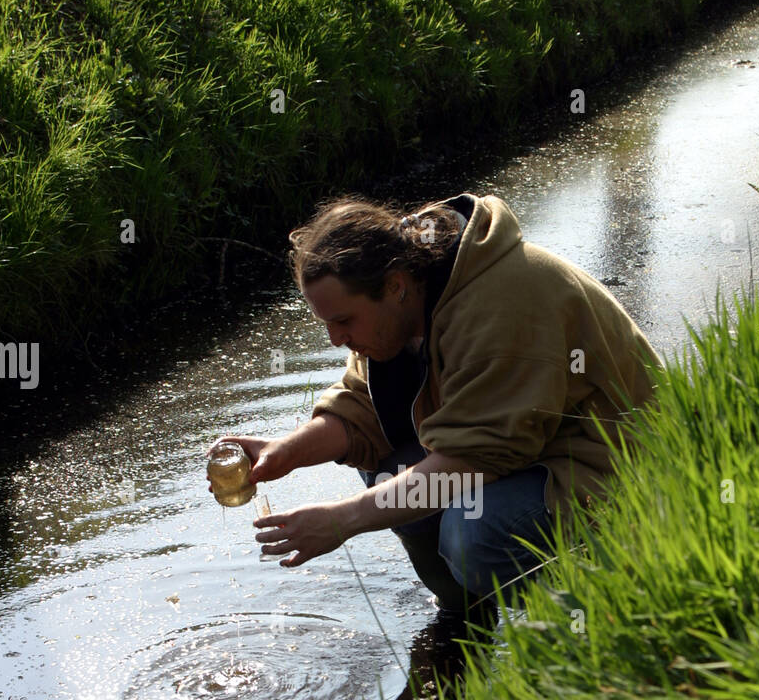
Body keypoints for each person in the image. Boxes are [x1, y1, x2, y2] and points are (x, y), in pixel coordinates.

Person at [209, 192, 662, 626]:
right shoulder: (408, 291)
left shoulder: (502, 304)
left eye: (344, 321)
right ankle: (466, 621)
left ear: (396, 287)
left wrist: (341, 521)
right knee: (386, 470)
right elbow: (367, 406)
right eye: (326, 324)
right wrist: (287, 450)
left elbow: (470, 464)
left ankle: (599, 617)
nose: (336, 339)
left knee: (475, 534)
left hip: (614, 456)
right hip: (523, 441)